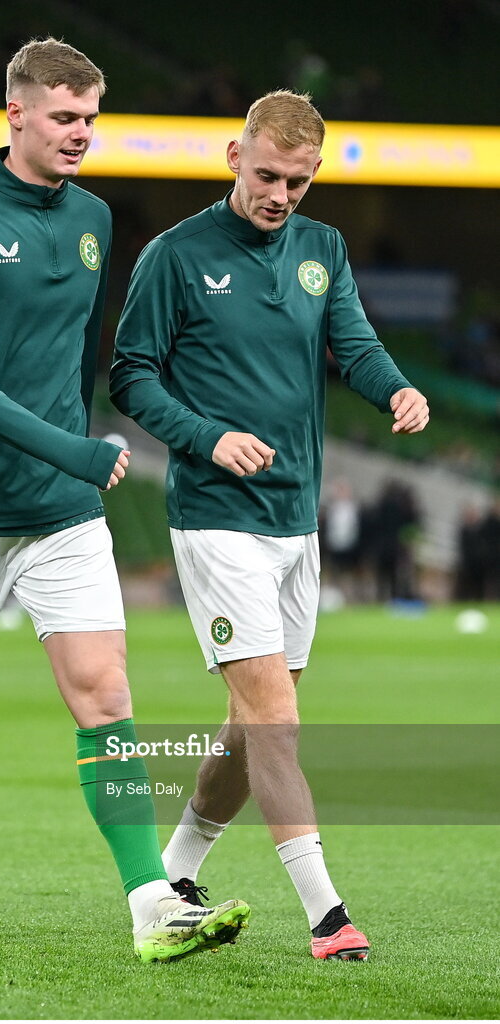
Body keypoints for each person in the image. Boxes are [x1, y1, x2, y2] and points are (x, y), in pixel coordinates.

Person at [0, 37, 249, 963]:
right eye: (65, 117)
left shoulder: (95, 220)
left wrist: (77, 454)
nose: (80, 134)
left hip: (61, 512)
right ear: (17, 114)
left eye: (90, 120)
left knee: (106, 693)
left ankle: (152, 900)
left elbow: (68, 359)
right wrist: (72, 446)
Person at [110, 89, 430, 961]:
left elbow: (354, 344)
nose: (279, 194)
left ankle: (174, 868)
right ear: (232, 158)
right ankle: (329, 917)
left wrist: (394, 386)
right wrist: (208, 439)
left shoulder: (321, 249)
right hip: (218, 520)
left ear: (314, 175)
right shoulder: (175, 256)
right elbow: (131, 377)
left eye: (296, 180)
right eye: (265, 175)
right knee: (276, 719)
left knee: (253, 726)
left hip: (298, 521)